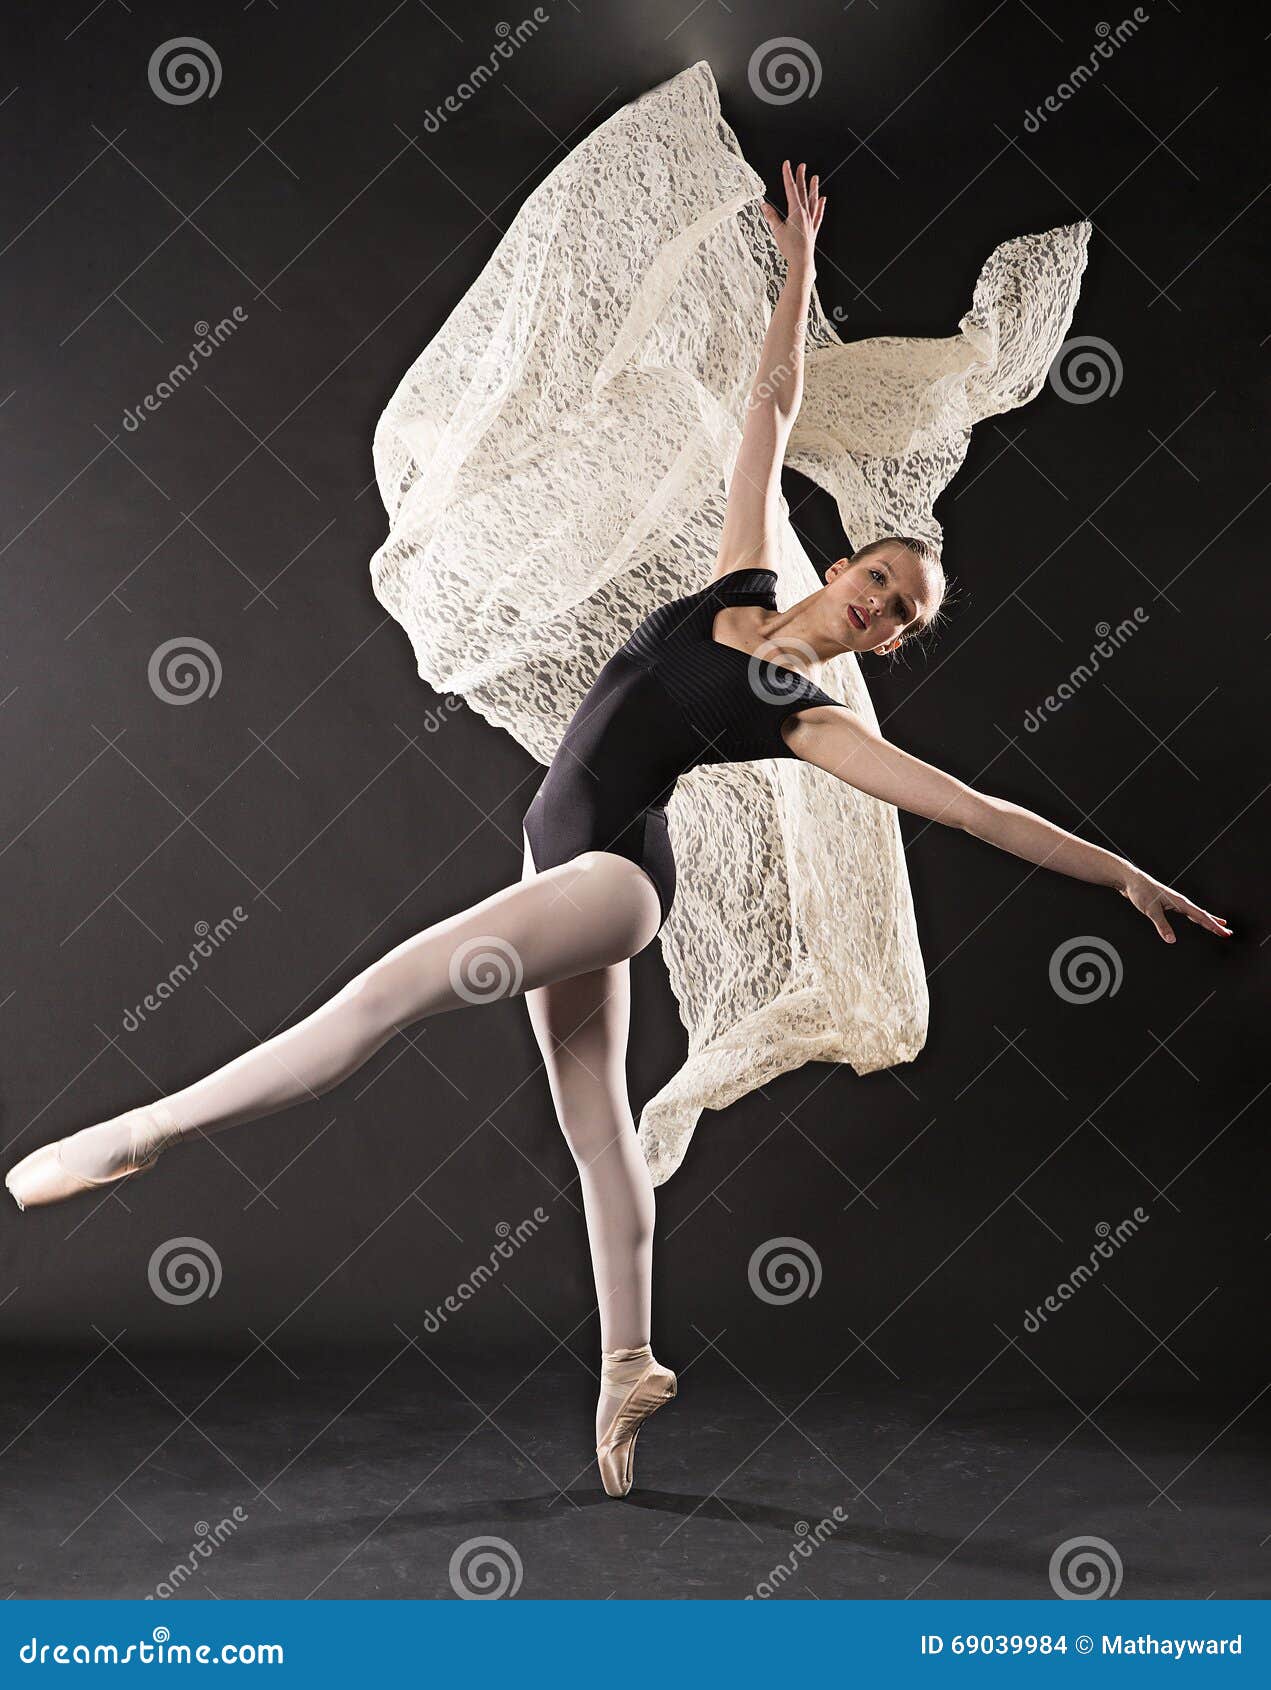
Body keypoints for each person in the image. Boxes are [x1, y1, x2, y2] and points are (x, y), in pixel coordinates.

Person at [5, 163, 1230, 1499]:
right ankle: (629, 1363)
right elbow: (772, 406)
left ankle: (148, 1131)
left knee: (378, 1000)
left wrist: (1124, 874)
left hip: (610, 884)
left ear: (891, 642)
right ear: (846, 562)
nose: (881, 605)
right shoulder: (741, 576)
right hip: (567, 856)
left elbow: (977, 809)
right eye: (882, 576)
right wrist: (798, 270)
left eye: (902, 616)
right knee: (598, 1132)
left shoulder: (809, 717)